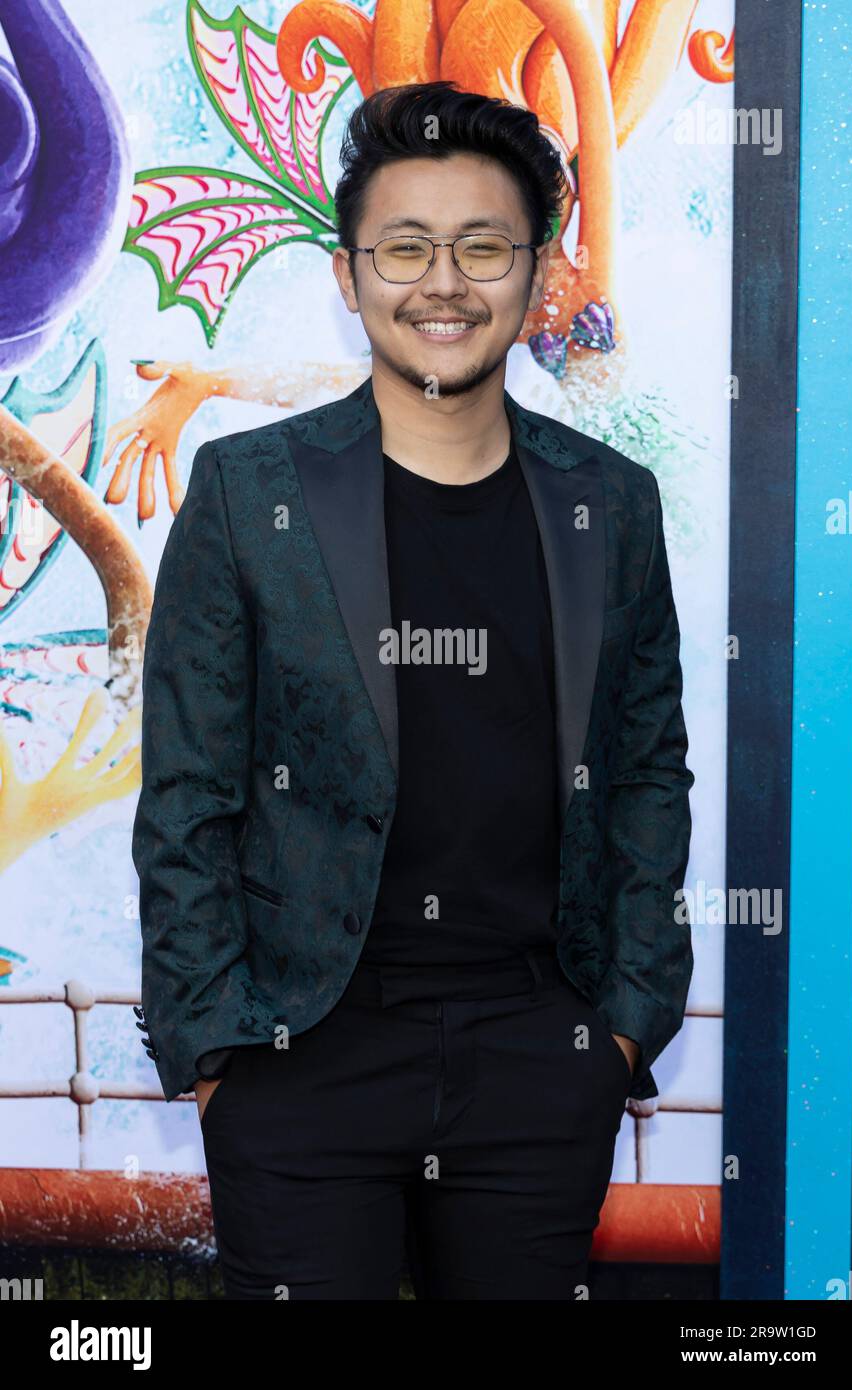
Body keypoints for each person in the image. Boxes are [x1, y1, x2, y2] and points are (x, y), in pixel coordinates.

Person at [131, 80, 694, 1300]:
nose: (444, 281)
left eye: (482, 245)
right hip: (301, 1056)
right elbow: (186, 789)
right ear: (348, 273)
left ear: (535, 272)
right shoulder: (245, 493)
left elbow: (648, 770)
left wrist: (622, 1023)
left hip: (537, 1054)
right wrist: (219, 1050)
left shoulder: (610, 502)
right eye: (404, 246)